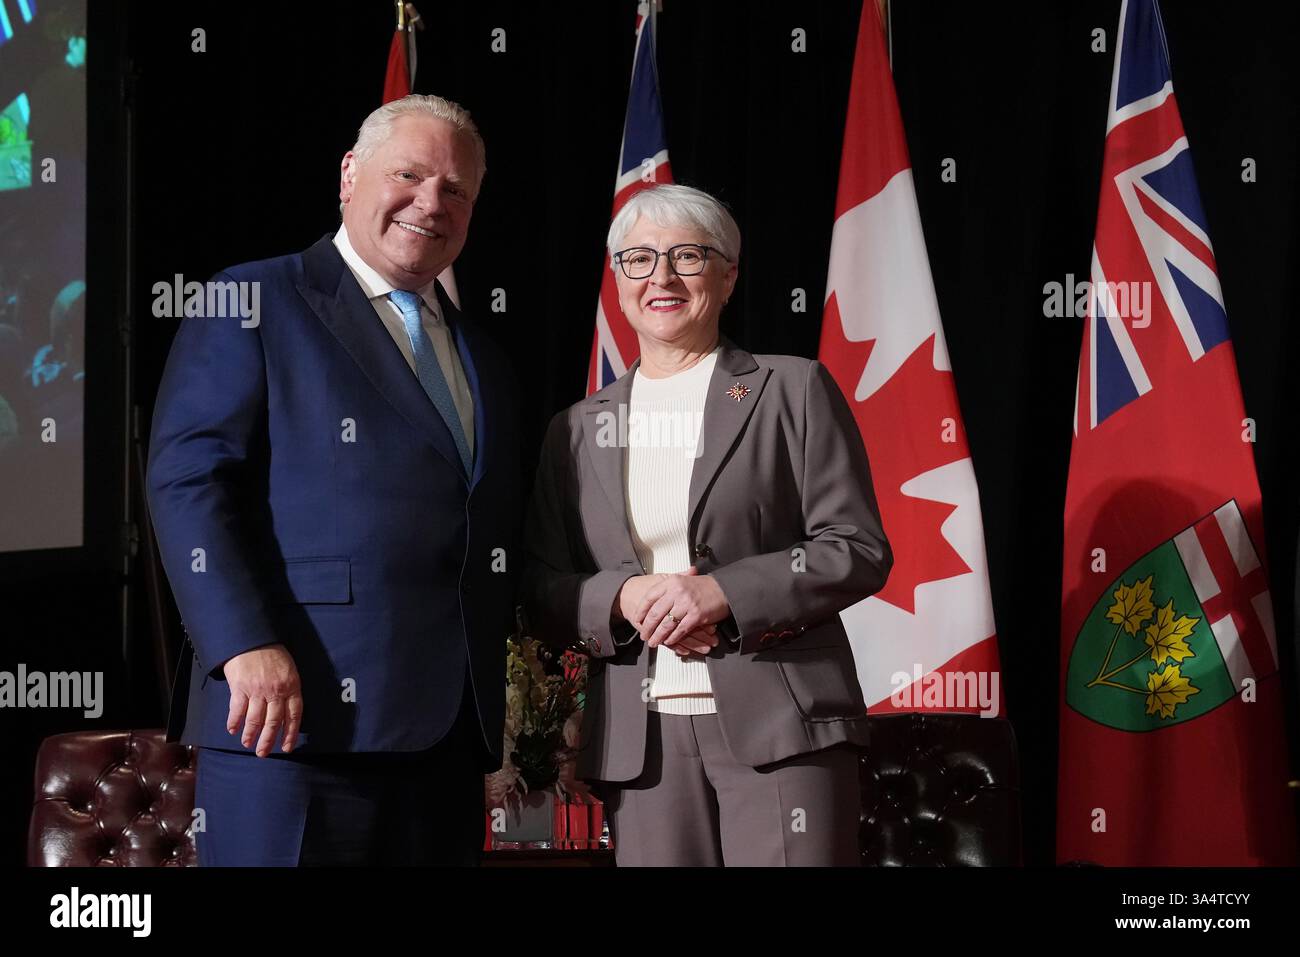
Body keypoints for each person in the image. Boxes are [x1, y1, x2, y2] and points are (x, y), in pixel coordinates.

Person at [147, 94, 519, 866]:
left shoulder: (483, 355)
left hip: (445, 747)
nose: (431, 202)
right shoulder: (250, 299)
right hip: (291, 728)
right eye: (409, 175)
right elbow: (187, 483)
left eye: (455, 190)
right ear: (350, 175)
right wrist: (242, 642)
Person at [521, 183, 893, 866]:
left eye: (687, 256)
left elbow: (856, 548)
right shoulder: (574, 430)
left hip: (784, 728)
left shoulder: (793, 390)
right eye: (638, 258)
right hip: (642, 744)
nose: (660, 276)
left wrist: (723, 593)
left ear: (728, 277)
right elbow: (540, 584)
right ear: (619, 280)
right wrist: (620, 598)